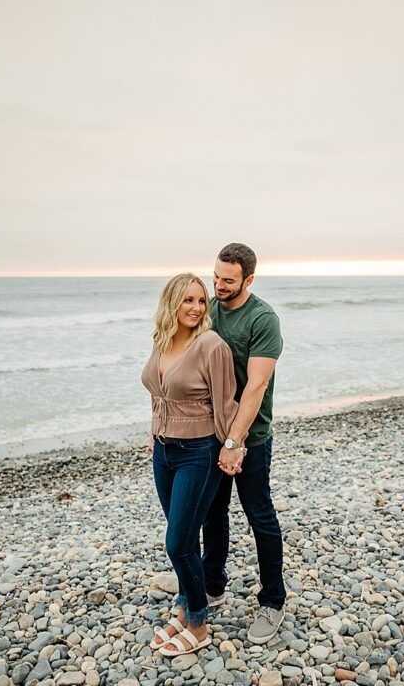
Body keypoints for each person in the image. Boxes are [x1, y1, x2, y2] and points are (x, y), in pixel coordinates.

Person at [142, 273, 238, 657]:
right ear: (172, 304)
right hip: (163, 452)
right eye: (188, 301)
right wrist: (153, 431)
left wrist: (232, 448)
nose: (197, 308)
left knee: (178, 542)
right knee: (183, 535)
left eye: (201, 300)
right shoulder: (161, 340)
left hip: (199, 451)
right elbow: (157, 392)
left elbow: (225, 402)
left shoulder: (211, 345)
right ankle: (185, 600)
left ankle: (198, 621)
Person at [200, 242, 286, 645]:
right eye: (216, 276)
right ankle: (212, 585)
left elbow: (256, 386)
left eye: (228, 280)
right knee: (212, 513)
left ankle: (273, 600)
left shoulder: (262, 319)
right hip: (212, 432)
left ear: (248, 279)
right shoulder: (209, 307)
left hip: (250, 435)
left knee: (259, 515)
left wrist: (236, 441)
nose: (218, 285)